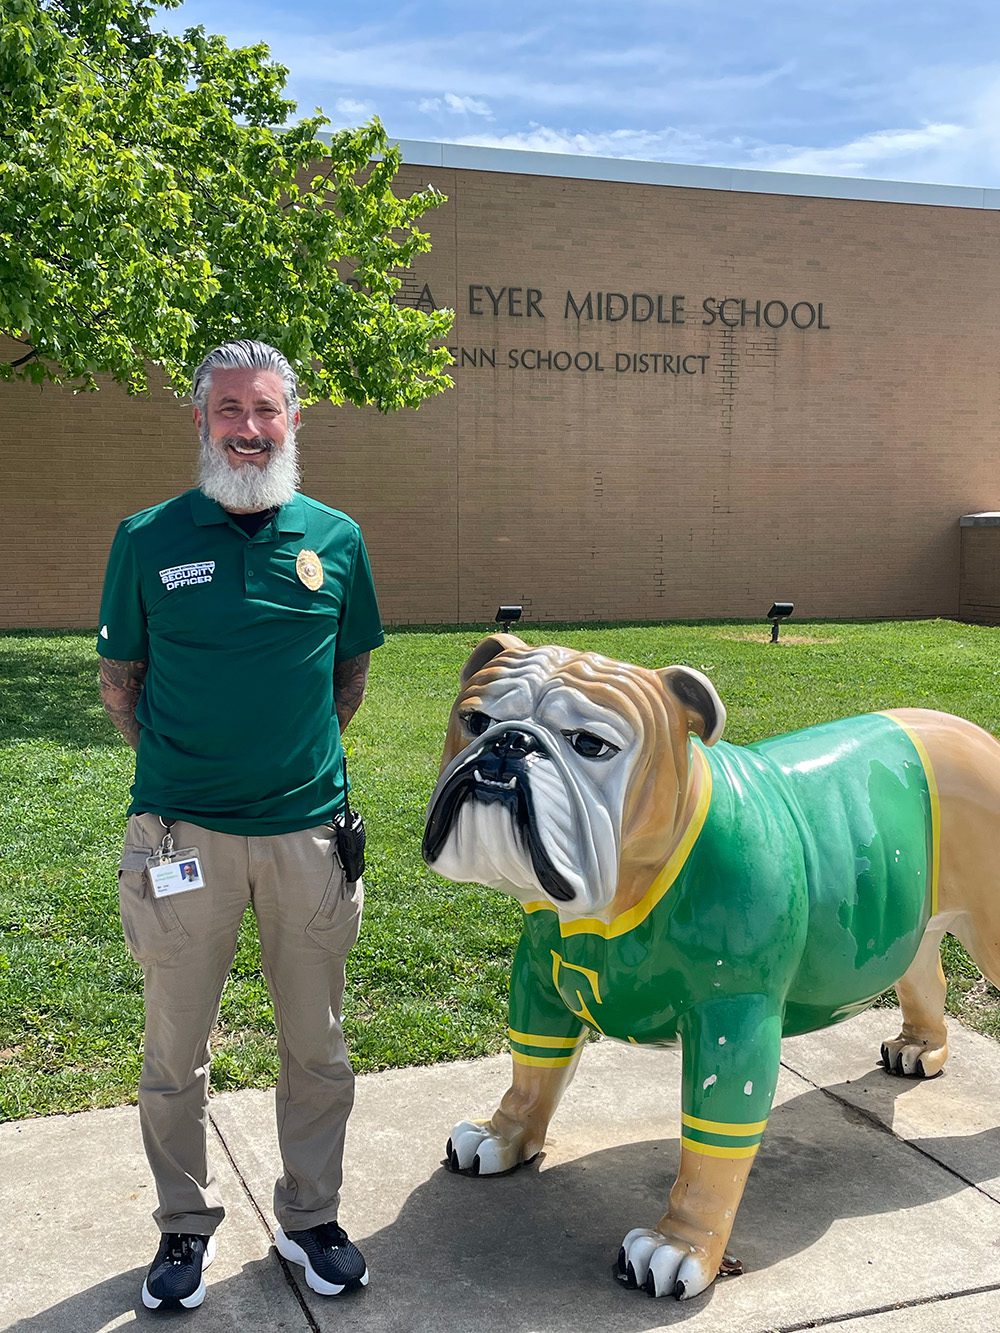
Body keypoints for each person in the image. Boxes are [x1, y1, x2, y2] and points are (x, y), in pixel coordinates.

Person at [97, 339, 384, 1310]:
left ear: (294, 418)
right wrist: (190, 775)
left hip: (309, 839)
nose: (249, 430)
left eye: (266, 410)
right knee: (173, 1052)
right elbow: (118, 684)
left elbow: (348, 679)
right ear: (201, 421)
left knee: (320, 1047)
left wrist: (283, 772)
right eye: (230, 411)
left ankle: (311, 1219)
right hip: (181, 840)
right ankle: (183, 1227)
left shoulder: (337, 541)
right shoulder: (146, 538)